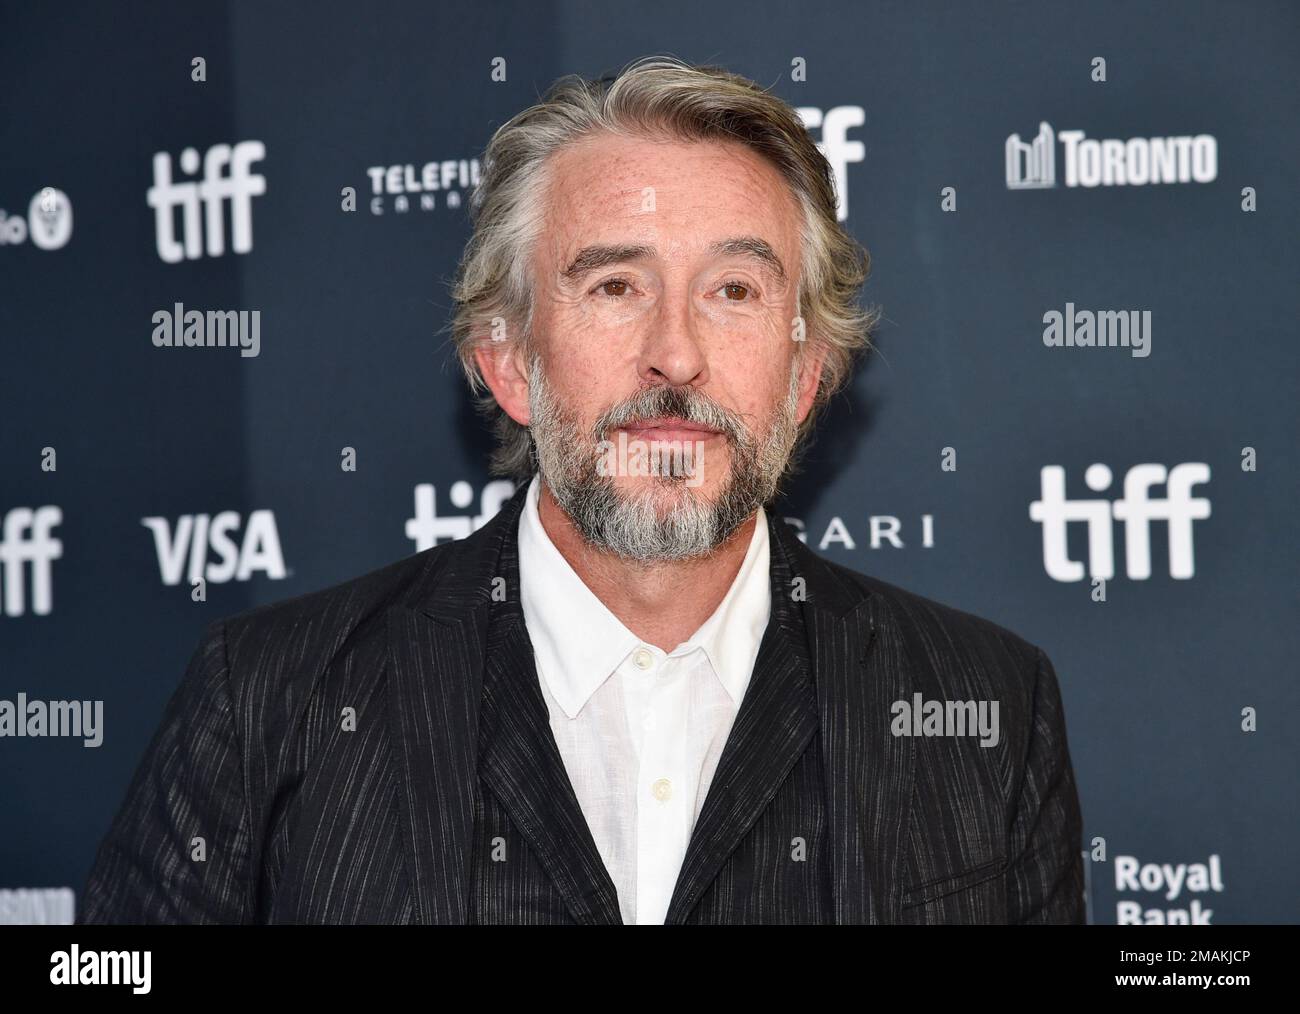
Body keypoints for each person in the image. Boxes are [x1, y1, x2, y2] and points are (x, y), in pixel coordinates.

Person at [80, 56, 1084, 925]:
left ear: (805, 371)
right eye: (614, 286)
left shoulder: (982, 702)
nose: (674, 354)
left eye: (733, 290)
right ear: (509, 360)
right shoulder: (267, 698)